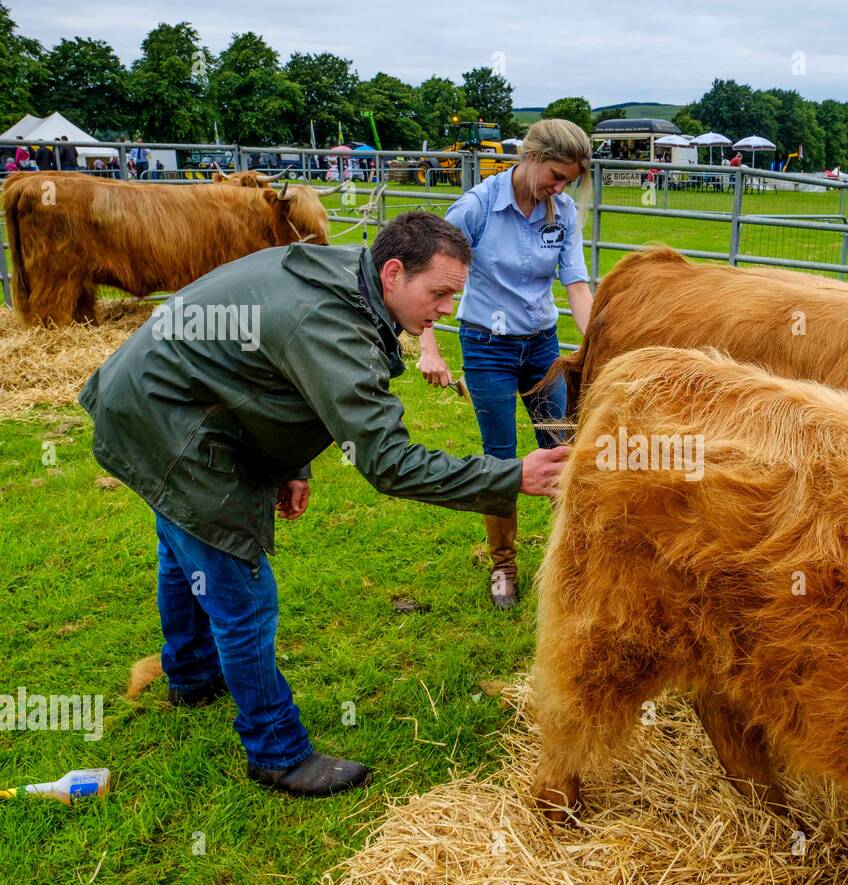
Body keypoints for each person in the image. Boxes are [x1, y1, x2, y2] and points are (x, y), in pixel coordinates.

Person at [78, 212, 570, 797]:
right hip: (169, 425)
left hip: (156, 398)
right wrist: (512, 475)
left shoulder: (347, 275)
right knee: (239, 590)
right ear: (393, 272)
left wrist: (293, 462)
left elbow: (272, 371)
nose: (446, 310)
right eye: (439, 293)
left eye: (454, 296)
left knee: (183, 542)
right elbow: (388, 462)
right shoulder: (333, 324)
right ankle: (277, 753)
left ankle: (190, 675)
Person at [419, 118, 593, 610]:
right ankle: (503, 566)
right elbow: (431, 276)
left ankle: (573, 560)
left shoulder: (562, 214)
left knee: (562, 447)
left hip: (540, 346)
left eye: (568, 182)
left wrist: (602, 341)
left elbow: (576, 284)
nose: (560, 189)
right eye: (556, 176)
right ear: (531, 157)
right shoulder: (475, 209)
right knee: (499, 460)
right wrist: (429, 347)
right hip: (486, 347)